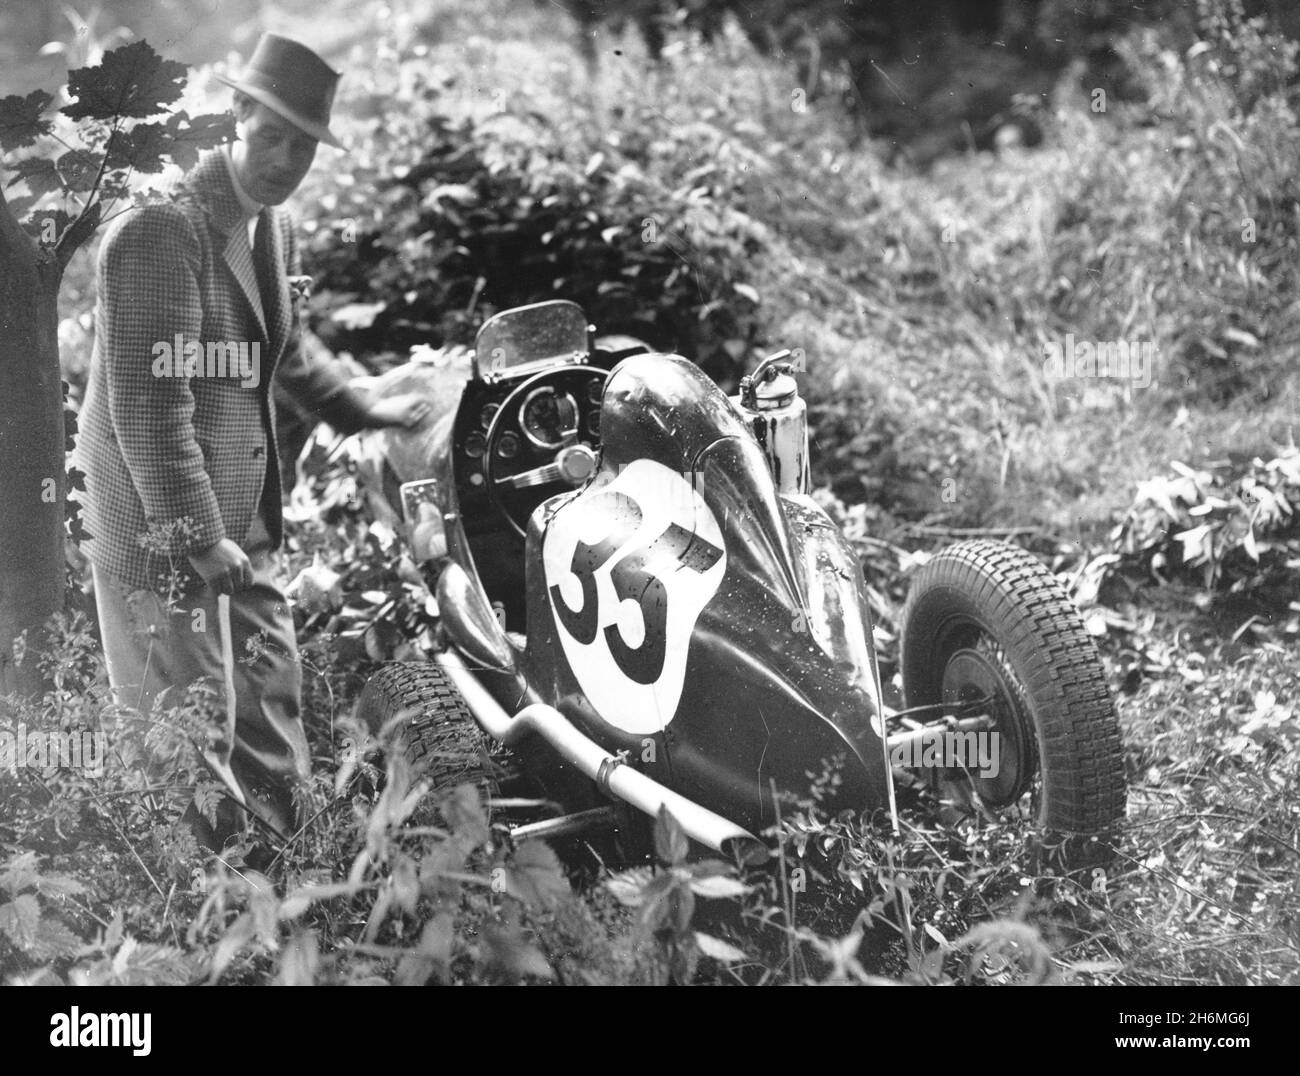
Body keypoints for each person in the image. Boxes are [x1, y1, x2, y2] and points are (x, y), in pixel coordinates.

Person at [76, 33, 428, 852]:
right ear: (234, 114)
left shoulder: (272, 226)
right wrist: (199, 539)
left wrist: (359, 411)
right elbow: (151, 410)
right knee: (180, 730)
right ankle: (205, 906)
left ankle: (288, 866)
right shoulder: (163, 231)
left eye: (303, 145)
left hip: (238, 510)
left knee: (267, 684)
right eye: (270, 134)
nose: (284, 159)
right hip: (158, 528)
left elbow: (286, 347)